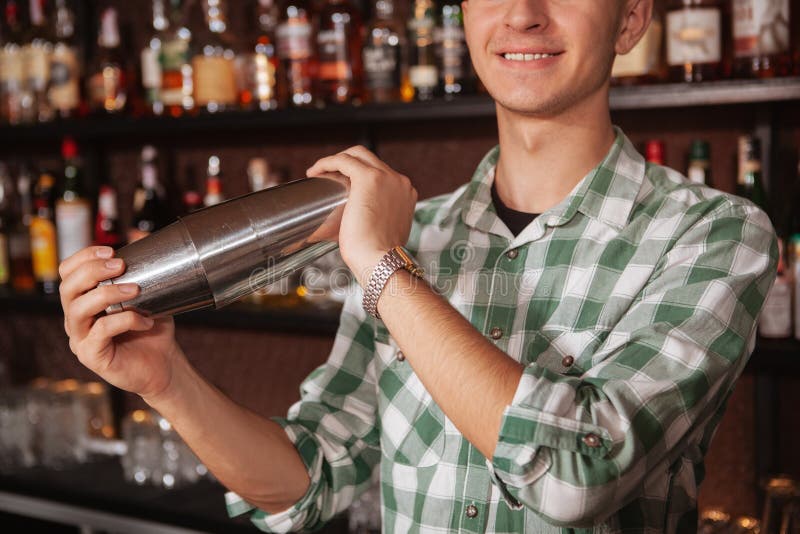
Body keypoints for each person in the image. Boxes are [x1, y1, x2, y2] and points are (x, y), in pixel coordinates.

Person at [58, 0, 777, 532]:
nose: (523, 15)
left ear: (631, 20)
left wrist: (382, 268)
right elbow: (306, 481)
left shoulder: (714, 235)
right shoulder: (414, 234)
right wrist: (168, 384)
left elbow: (578, 474)